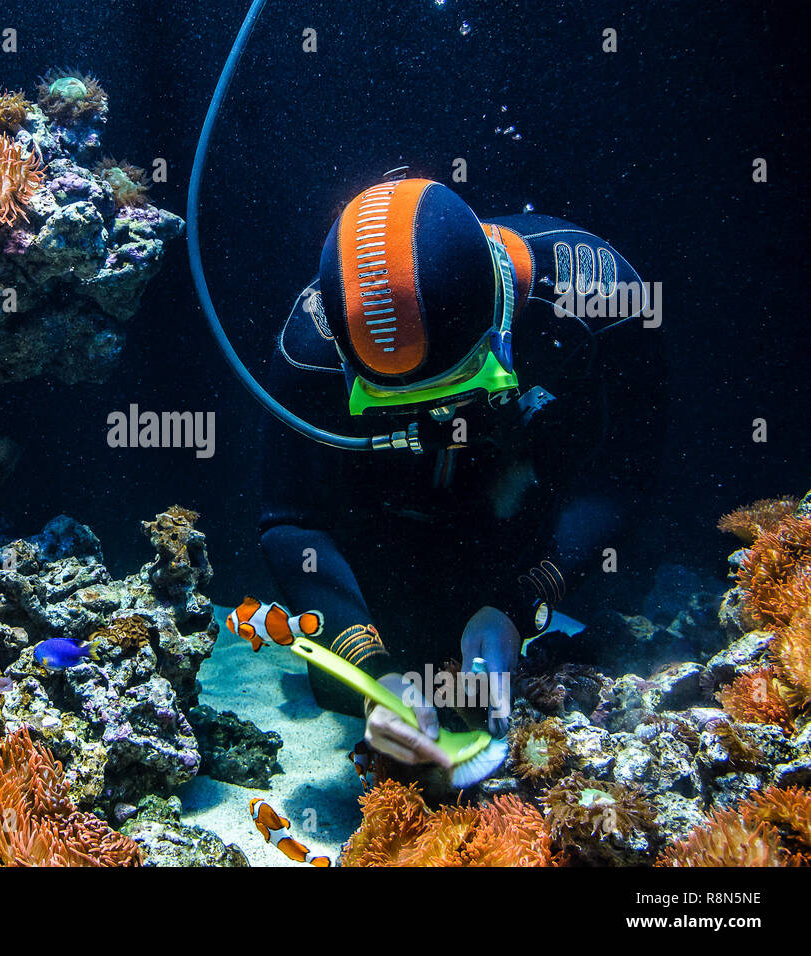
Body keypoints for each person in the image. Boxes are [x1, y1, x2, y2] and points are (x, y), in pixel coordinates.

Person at [255, 172, 664, 770]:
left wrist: (523, 601)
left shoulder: (597, 293)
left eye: (460, 388)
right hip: (389, 536)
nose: (439, 417)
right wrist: (372, 673)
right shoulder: (308, 348)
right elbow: (289, 517)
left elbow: (627, 471)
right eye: (397, 402)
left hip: (536, 529)